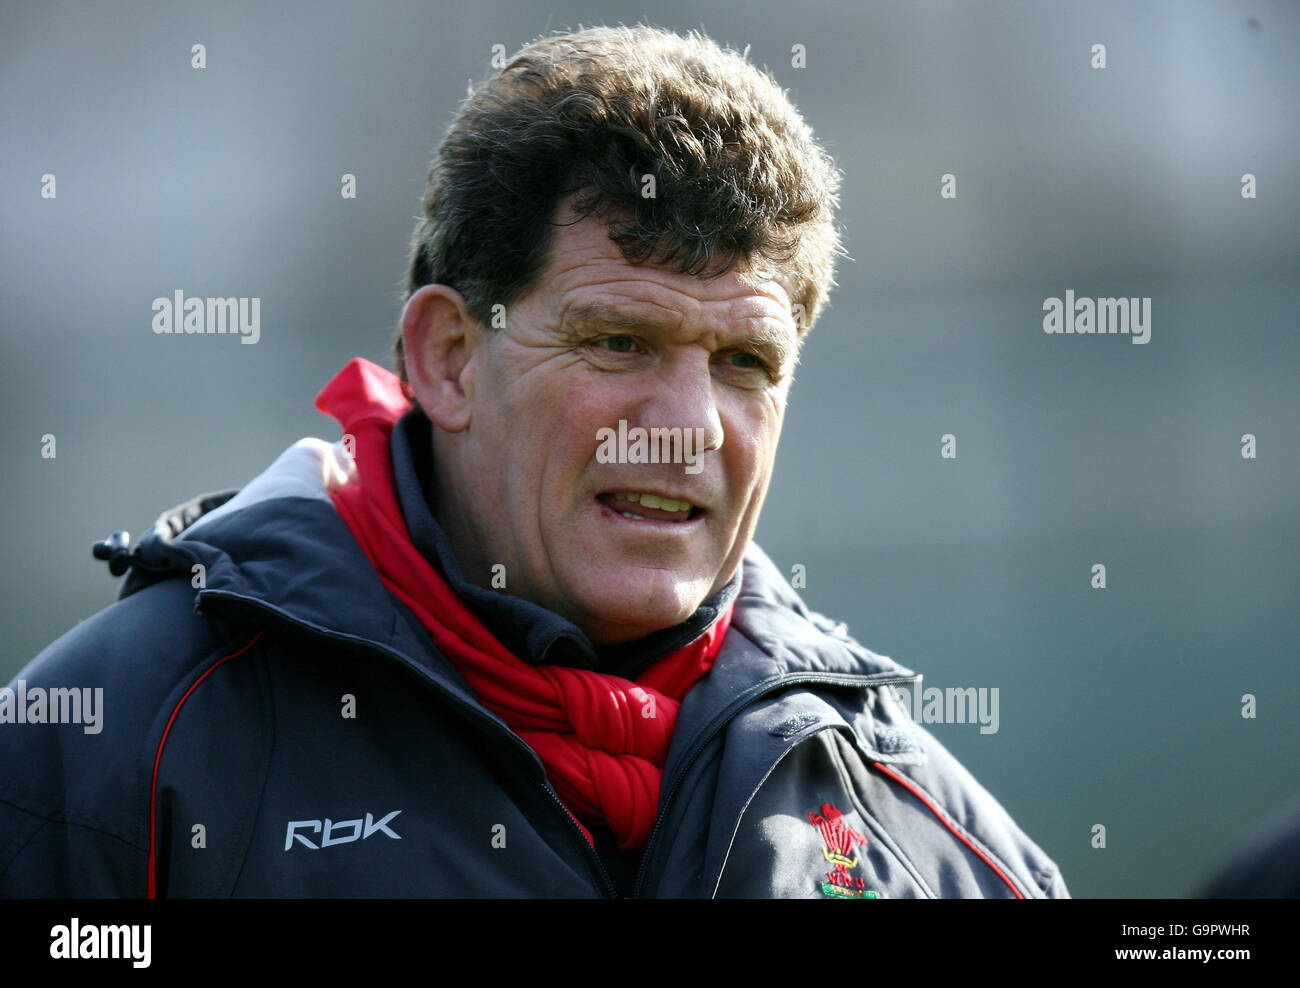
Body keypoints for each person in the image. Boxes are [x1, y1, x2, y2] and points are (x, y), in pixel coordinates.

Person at [0, 24, 1067, 898]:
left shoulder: (929, 838)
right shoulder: (109, 754)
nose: (686, 424)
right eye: (618, 342)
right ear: (448, 360)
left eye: (745, 361)